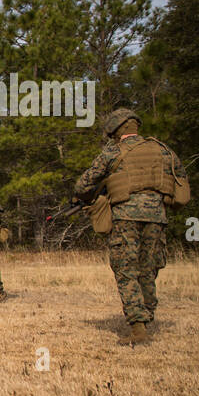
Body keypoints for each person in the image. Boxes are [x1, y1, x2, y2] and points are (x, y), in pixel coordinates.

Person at [73, 107, 188, 344]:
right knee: (148, 267)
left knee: (126, 269)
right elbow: (181, 180)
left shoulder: (113, 152)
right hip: (157, 215)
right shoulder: (164, 150)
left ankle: (138, 327)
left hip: (125, 215)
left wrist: (92, 196)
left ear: (115, 130)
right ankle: (147, 312)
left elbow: (83, 185)